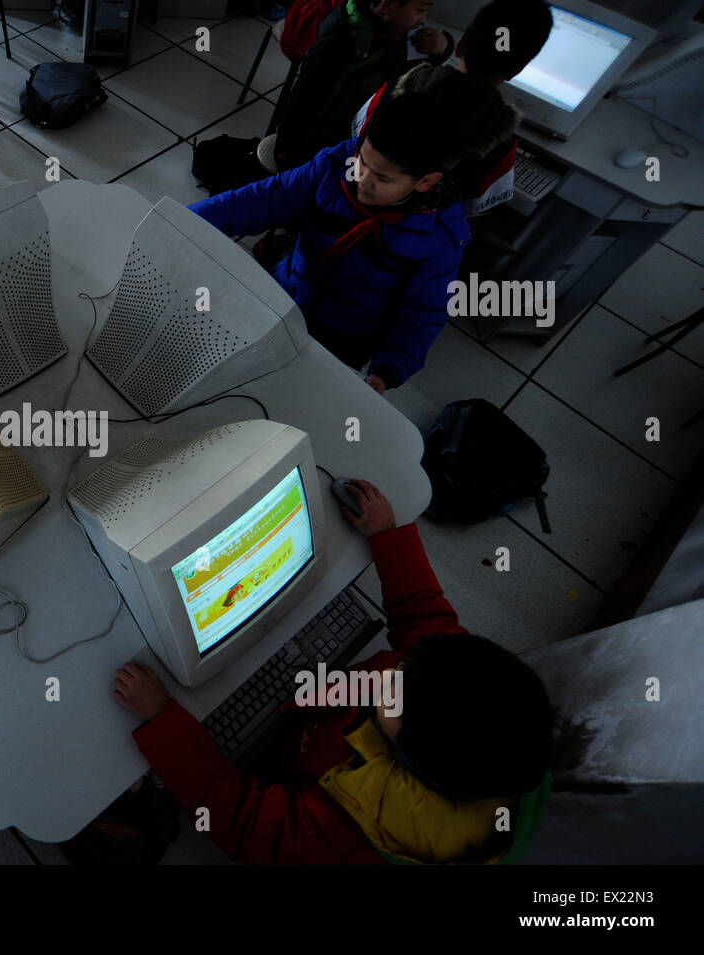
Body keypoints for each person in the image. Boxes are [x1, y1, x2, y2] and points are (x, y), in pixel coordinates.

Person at [112, 479, 553, 864]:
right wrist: (391, 535)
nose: (387, 675)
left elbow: (241, 821)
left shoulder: (342, 834)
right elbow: (426, 622)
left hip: (292, 779)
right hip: (314, 736)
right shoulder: (466, 703)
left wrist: (164, 720)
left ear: (413, 767)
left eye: (389, 693)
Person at [190, 92, 470, 393]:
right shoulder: (335, 165)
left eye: (382, 178)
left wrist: (388, 370)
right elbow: (265, 199)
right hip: (285, 295)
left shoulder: (441, 237)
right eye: (363, 161)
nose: (362, 179)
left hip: (344, 340)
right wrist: (184, 220)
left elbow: (423, 312)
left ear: (426, 181)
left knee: (293, 393)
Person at [350, 0, 555, 214]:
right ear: (517, 70)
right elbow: (477, 205)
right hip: (412, 232)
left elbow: (357, 131)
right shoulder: (501, 140)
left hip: (349, 198)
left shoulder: (399, 85)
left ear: (459, 46)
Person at [268, 0, 455, 173]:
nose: (423, 19)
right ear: (386, 6)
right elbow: (301, 105)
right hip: (322, 150)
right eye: (420, 10)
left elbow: (418, 72)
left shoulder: (400, 32)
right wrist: (287, 157)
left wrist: (442, 47)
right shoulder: (339, 42)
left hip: (361, 142)